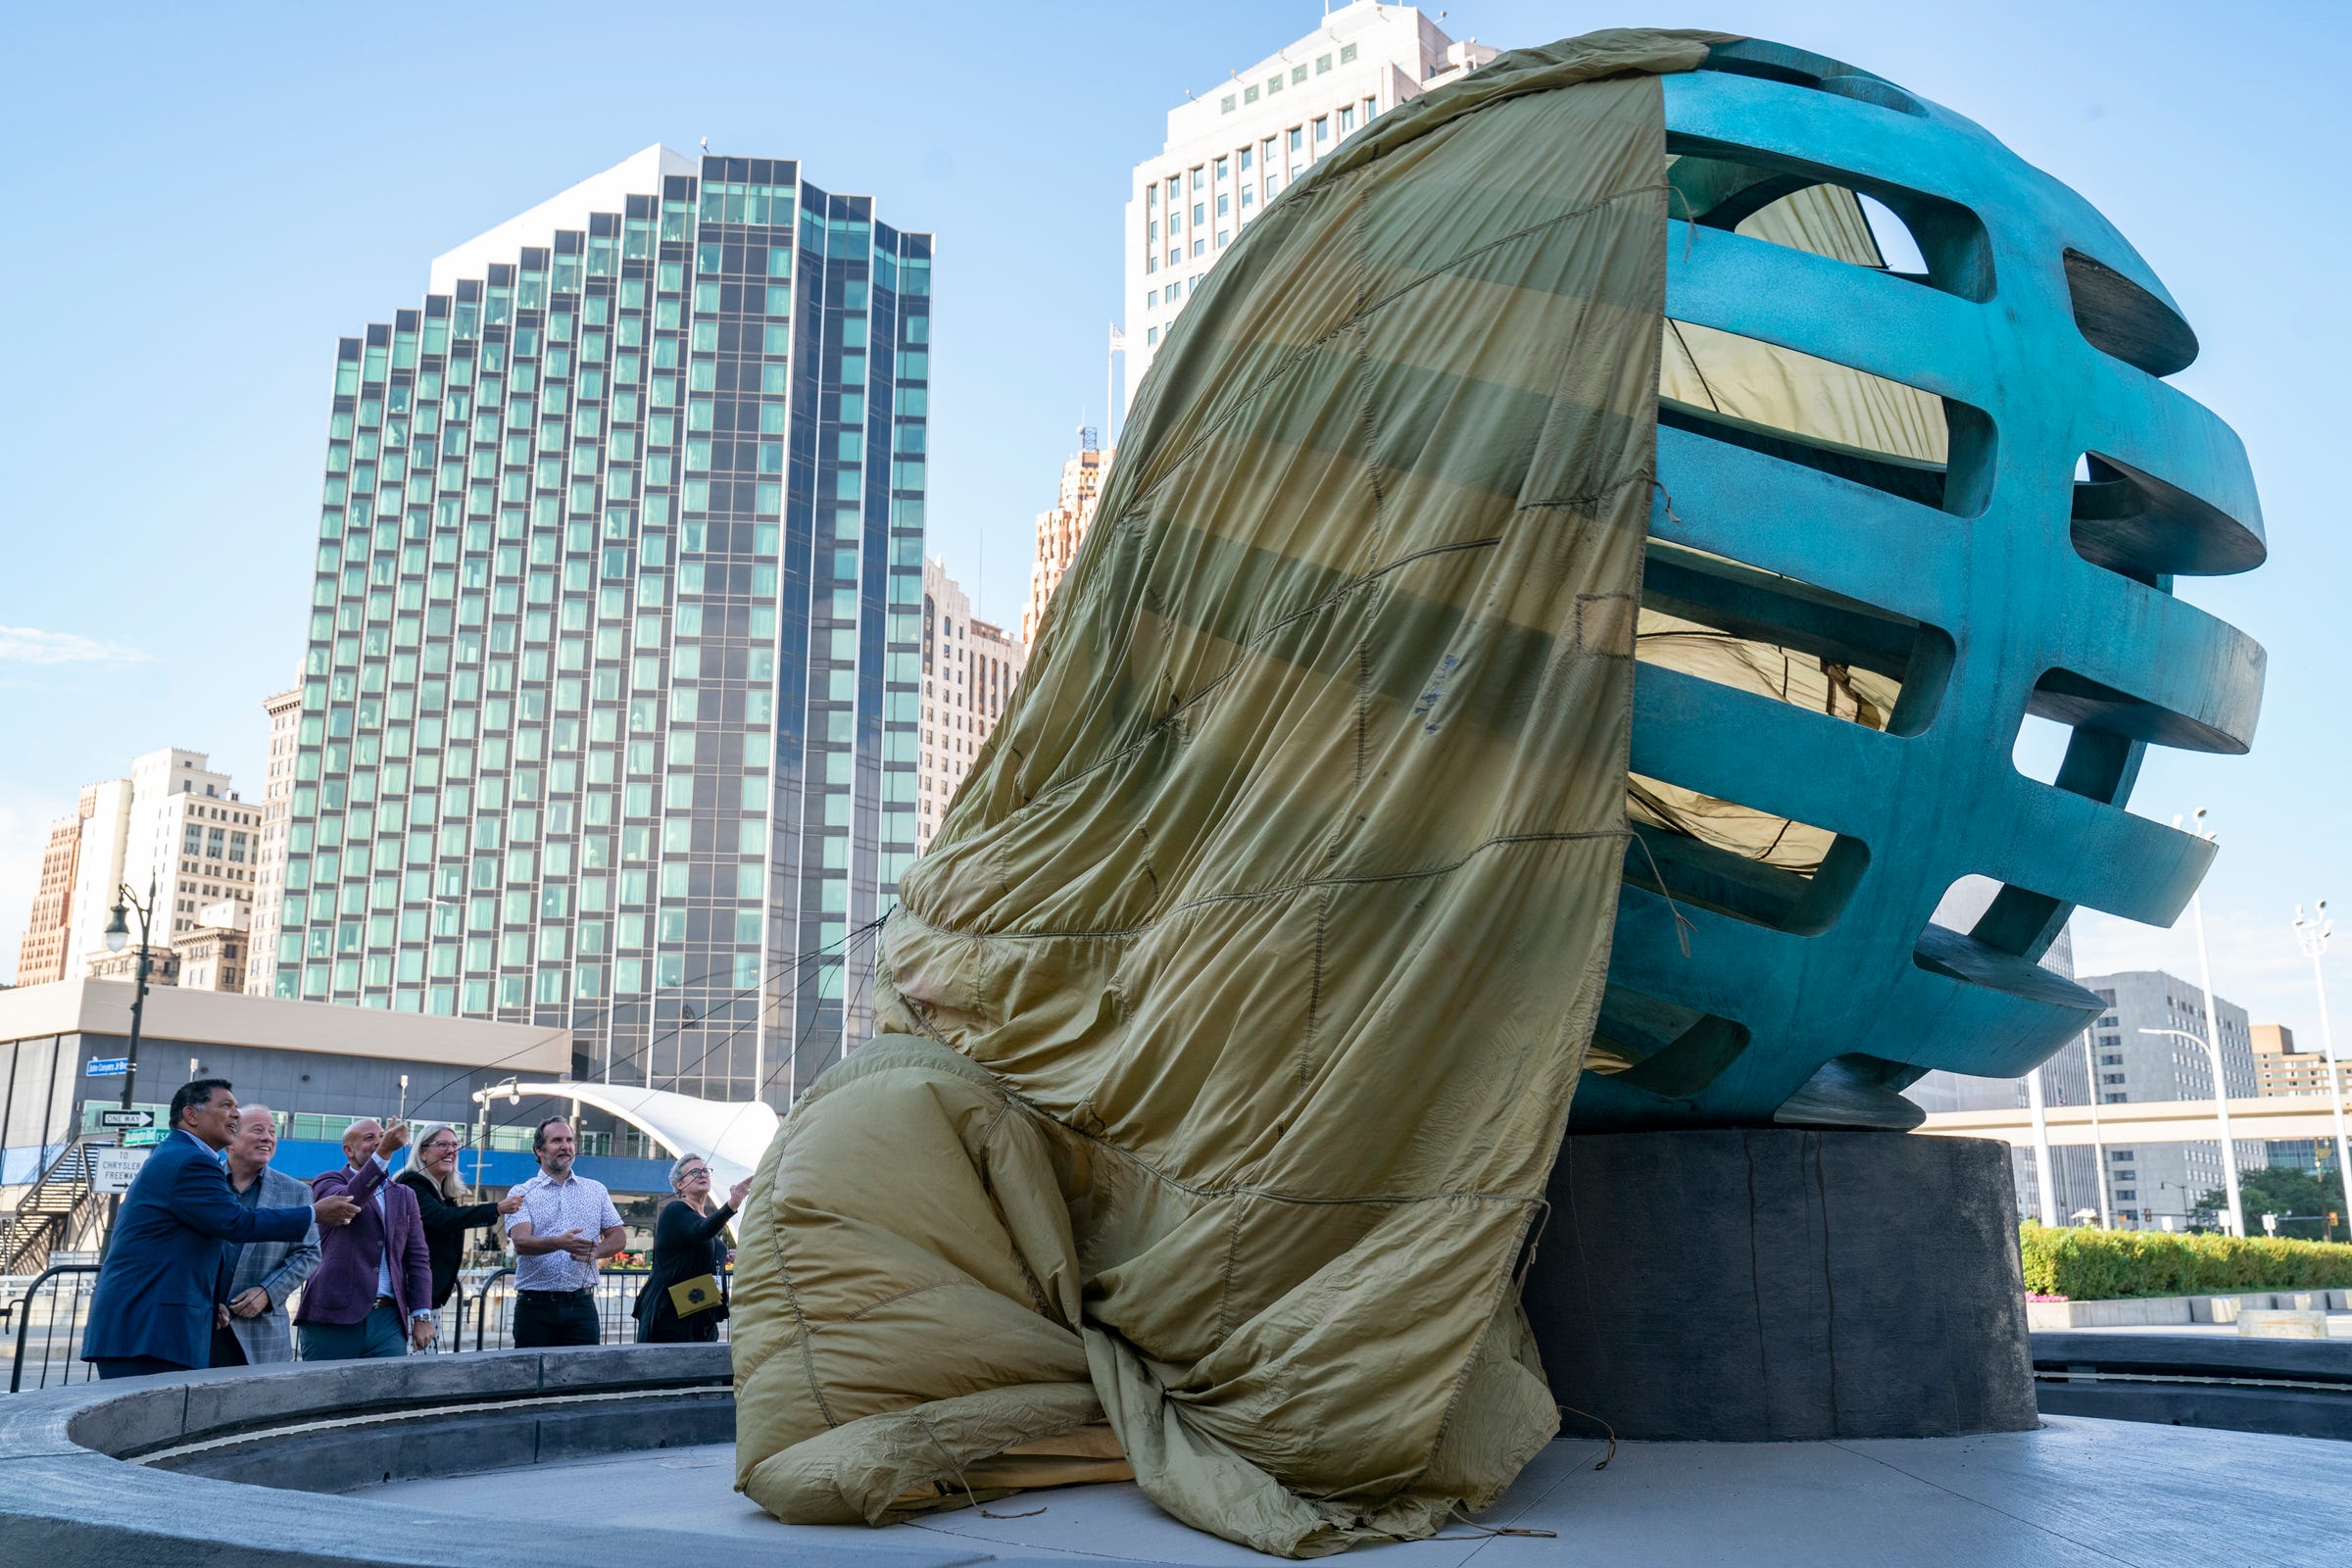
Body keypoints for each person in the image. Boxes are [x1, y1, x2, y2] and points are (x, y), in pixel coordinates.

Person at [82, 1079, 357, 1380]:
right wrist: (314, 1213)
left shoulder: (183, 1155)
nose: (235, 1115)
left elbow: (186, 1246)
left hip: (162, 1327)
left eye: (237, 1108)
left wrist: (209, 1303)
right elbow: (235, 1222)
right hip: (148, 1330)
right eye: (226, 1106)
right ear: (191, 1115)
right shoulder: (191, 1161)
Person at [294, 1118, 435, 1360]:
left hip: (388, 1319)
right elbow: (348, 1202)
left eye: (382, 1136)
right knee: (326, 1394)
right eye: (369, 1138)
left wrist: (421, 1316)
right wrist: (385, 1152)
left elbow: (418, 1257)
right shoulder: (328, 1181)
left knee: (386, 1394)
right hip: (333, 1316)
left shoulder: (404, 1195)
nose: (378, 1142)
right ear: (348, 1150)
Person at [505, 1116, 624, 1348]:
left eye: (569, 1140)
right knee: (532, 1377)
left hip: (581, 1305)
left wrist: (596, 1251)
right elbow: (521, 1241)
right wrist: (559, 1243)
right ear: (539, 1150)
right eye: (556, 1140)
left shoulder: (596, 1190)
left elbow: (618, 1237)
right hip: (535, 1306)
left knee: (583, 1378)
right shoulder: (521, 1192)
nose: (565, 1146)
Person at [217, 1104, 321, 1367]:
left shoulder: (295, 1191)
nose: (268, 1137)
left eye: (272, 1131)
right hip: (201, 1327)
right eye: (257, 1130)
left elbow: (309, 1252)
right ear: (230, 1140)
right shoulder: (204, 1181)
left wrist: (267, 1291)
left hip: (261, 1332)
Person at [394, 1122, 523, 1312]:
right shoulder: (413, 1183)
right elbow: (440, 1219)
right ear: (422, 1152)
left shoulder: (445, 1194)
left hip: (429, 1295)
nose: (451, 1150)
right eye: (442, 1144)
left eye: (455, 1145)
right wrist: (496, 1208)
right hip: (412, 1296)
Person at [634, 1154, 751, 1344]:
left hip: (700, 1308)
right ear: (680, 1185)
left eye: (705, 1171)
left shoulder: (703, 1217)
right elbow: (699, 1232)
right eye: (695, 1172)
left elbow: (701, 1241)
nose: (702, 1174)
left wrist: (724, 1255)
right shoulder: (676, 1210)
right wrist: (732, 1204)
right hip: (672, 1312)